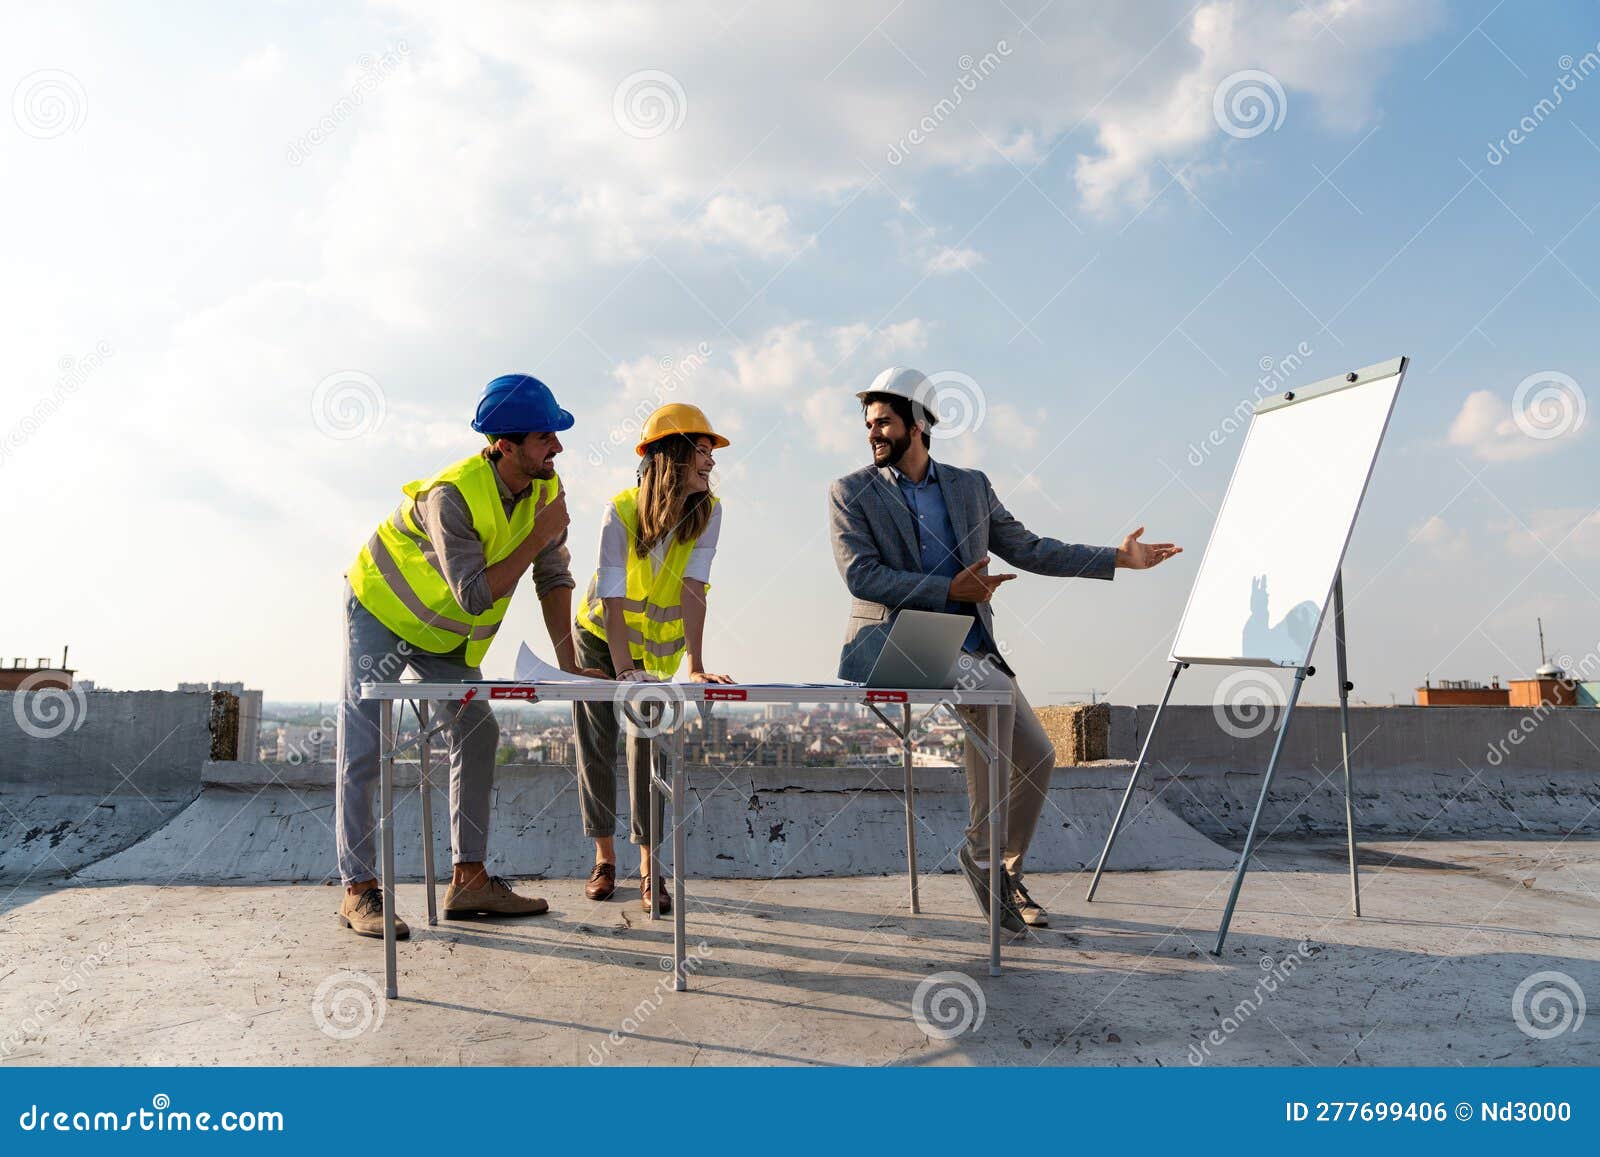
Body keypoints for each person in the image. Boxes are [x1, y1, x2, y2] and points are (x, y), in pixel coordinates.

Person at [827, 366, 1181, 931]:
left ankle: (1000, 869)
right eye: (868, 423)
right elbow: (862, 576)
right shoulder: (851, 492)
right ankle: (985, 856)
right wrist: (949, 589)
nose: (873, 433)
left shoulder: (970, 487)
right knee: (989, 696)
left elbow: (1030, 548)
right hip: (895, 643)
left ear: (918, 423)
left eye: (885, 422)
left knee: (1038, 755)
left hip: (969, 647)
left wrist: (1116, 558)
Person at [336, 373, 597, 938]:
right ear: (505, 445)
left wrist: (566, 661)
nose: (558, 446)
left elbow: (553, 575)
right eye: (546, 436)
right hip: (382, 609)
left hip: (444, 638)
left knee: (476, 732)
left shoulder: (546, 490)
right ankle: (358, 890)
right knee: (364, 744)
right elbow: (476, 593)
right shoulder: (451, 495)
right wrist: (536, 537)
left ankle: (469, 878)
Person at [572, 403, 735, 912]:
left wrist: (696, 665)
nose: (711, 463)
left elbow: (694, 588)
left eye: (711, 454)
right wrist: (623, 671)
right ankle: (605, 859)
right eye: (702, 453)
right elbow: (613, 599)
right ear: (671, 458)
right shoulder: (619, 511)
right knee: (595, 743)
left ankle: (649, 868)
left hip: (652, 652)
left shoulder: (709, 512)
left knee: (648, 749)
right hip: (601, 638)